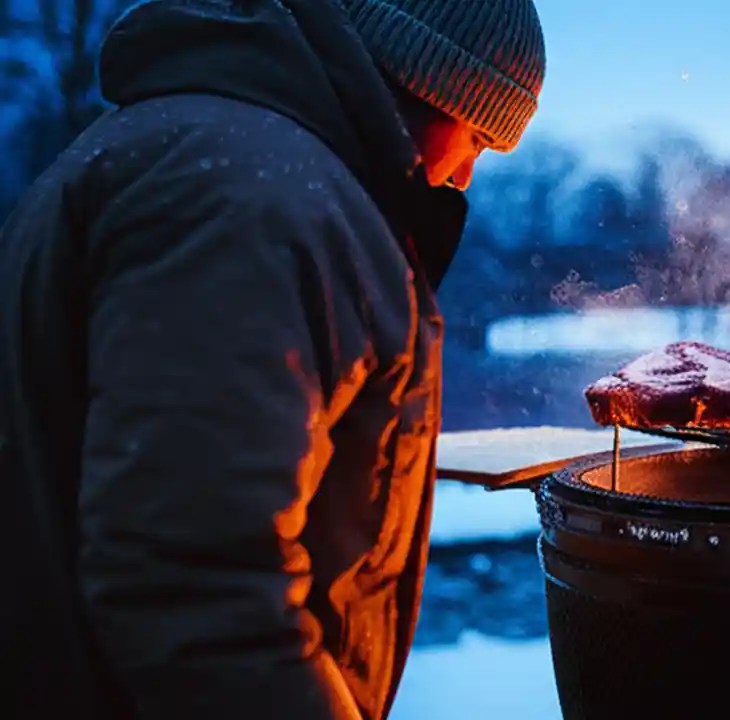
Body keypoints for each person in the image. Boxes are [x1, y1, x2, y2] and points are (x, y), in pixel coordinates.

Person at [0, 0, 544, 717]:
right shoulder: (254, 205)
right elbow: (197, 591)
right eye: (475, 135)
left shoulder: (214, 156)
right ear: (425, 78)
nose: (466, 175)